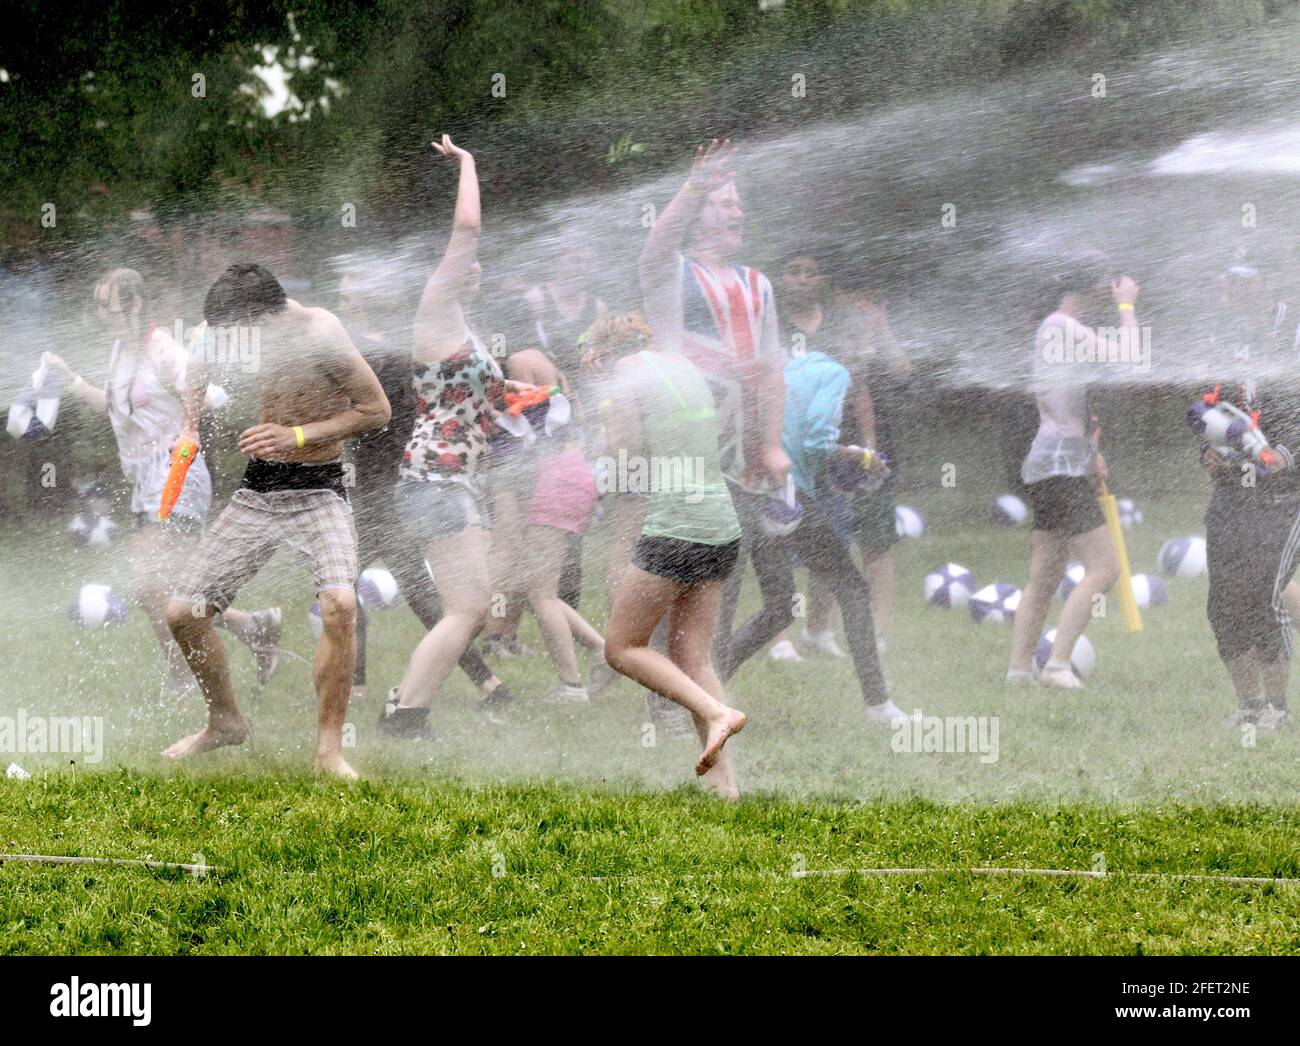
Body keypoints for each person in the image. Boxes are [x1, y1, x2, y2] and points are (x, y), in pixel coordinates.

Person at [162, 262, 391, 778]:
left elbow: (377, 409)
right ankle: (225, 723)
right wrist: (189, 426)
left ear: (262, 316)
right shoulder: (239, 330)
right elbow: (198, 349)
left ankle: (329, 752)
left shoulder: (321, 332)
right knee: (183, 614)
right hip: (260, 488)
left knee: (340, 606)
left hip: (319, 486)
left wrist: (299, 436)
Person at [44, 268, 282, 695]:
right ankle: (251, 627)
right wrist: (72, 380)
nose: (102, 314)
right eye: (97, 305)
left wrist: (185, 404)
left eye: (108, 305)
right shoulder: (122, 352)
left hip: (176, 476)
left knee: (151, 582)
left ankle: (183, 679)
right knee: (167, 586)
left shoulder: (162, 349)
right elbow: (114, 407)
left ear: (135, 304)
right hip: (144, 483)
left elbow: (208, 397)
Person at [377, 135, 530, 739]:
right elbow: (466, 230)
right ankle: (405, 715)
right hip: (435, 479)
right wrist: (468, 162)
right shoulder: (436, 311)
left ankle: (405, 705)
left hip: (453, 480)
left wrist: (517, 394)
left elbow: (471, 398)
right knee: (469, 607)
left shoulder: (465, 329)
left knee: (470, 607)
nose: (475, 266)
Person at [638, 138, 789, 690]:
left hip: (743, 460)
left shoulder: (758, 285)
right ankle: (668, 696)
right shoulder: (672, 275)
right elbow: (655, 248)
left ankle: (706, 692)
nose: (738, 211)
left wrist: (773, 444)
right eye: (725, 203)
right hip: (689, 454)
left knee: (724, 578)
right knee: (677, 571)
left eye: (738, 203)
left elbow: (771, 370)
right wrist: (695, 183)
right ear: (698, 216)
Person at [334, 258, 514, 714]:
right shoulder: (408, 349)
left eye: (348, 286)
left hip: (380, 488)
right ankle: (488, 682)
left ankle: (355, 688)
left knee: (341, 585)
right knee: (421, 592)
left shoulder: (366, 354)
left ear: (365, 300)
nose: (340, 295)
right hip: (410, 483)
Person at [597, 312, 747, 799]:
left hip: (674, 525)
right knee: (691, 658)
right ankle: (725, 786)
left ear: (605, 354)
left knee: (622, 647)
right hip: (719, 520)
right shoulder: (681, 365)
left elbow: (628, 453)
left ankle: (715, 714)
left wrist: (605, 423)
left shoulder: (624, 376)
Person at [1007, 255, 1130, 689]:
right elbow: (1129, 356)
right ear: (1093, 287)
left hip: (1055, 462)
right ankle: (1058, 665)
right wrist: (1128, 307)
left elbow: (1068, 400)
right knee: (1104, 568)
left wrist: (1089, 451)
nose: (1110, 290)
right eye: (1107, 285)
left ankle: (1019, 673)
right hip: (1058, 465)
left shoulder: (1058, 329)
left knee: (1044, 575)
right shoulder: (1060, 325)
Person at [1198, 258, 1300, 729]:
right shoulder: (1217, 340)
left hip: (1284, 498)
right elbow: (1207, 412)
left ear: (1267, 284)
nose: (1230, 295)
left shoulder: (1294, 331)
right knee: (1223, 603)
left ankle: (1277, 711)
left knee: (1264, 598)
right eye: (1225, 285)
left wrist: (1285, 455)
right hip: (1230, 496)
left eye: (1242, 284)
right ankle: (1249, 708)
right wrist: (1210, 453)